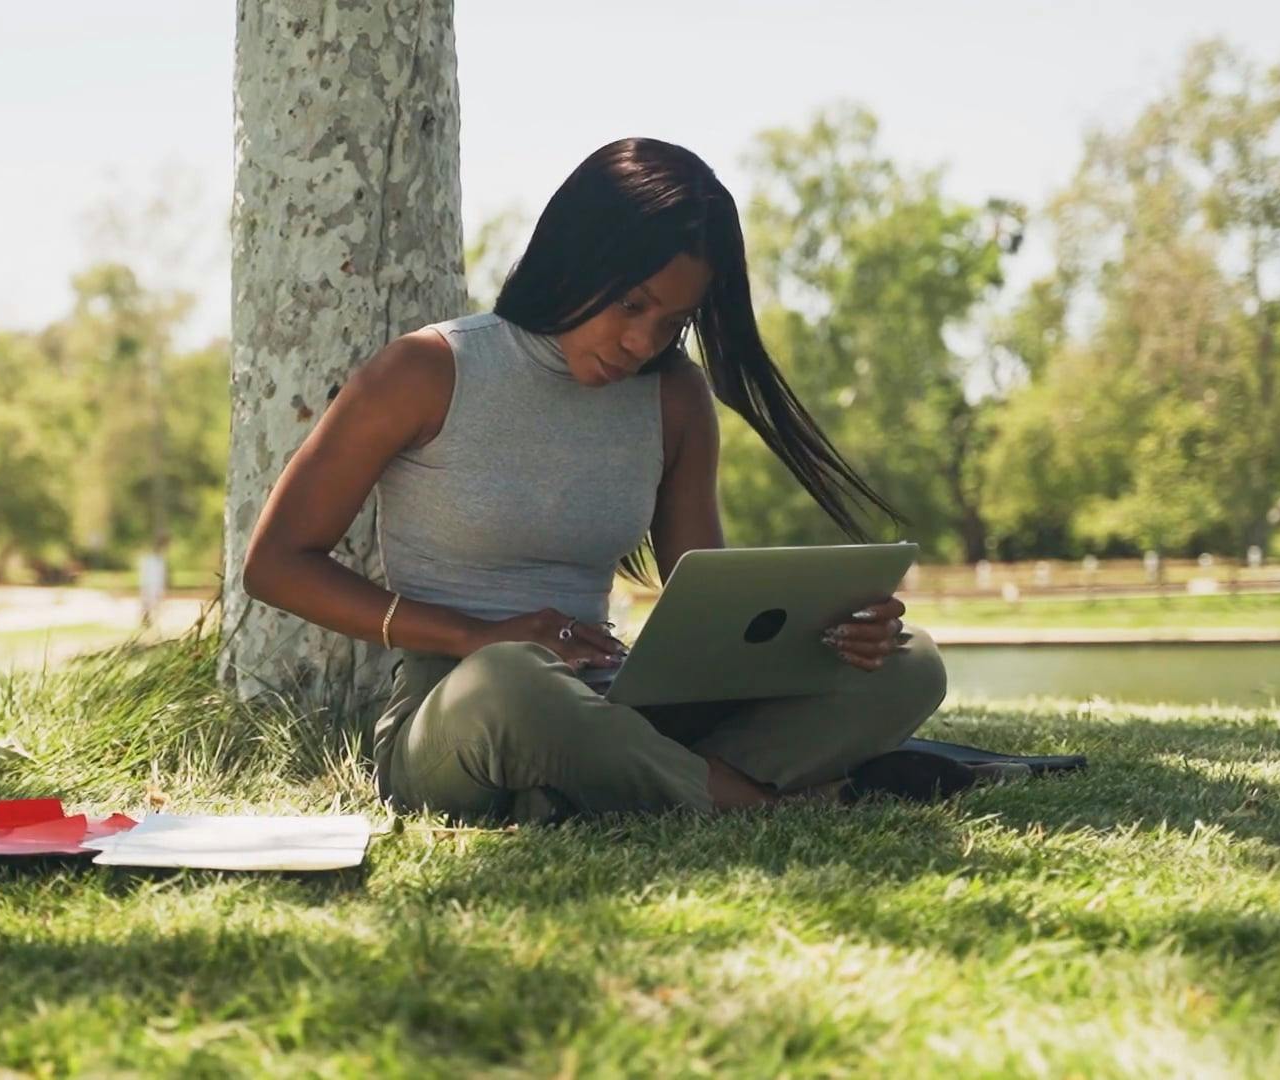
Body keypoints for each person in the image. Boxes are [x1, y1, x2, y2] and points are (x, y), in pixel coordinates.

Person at [243, 137, 974, 824]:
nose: (643, 342)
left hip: (619, 700)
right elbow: (275, 564)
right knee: (516, 683)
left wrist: (829, 634)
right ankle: (756, 801)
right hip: (465, 704)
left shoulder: (675, 398)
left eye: (673, 322)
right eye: (632, 306)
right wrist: (479, 634)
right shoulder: (426, 371)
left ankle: (599, 789)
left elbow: (712, 612)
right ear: (577, 260)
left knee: (912, 665)